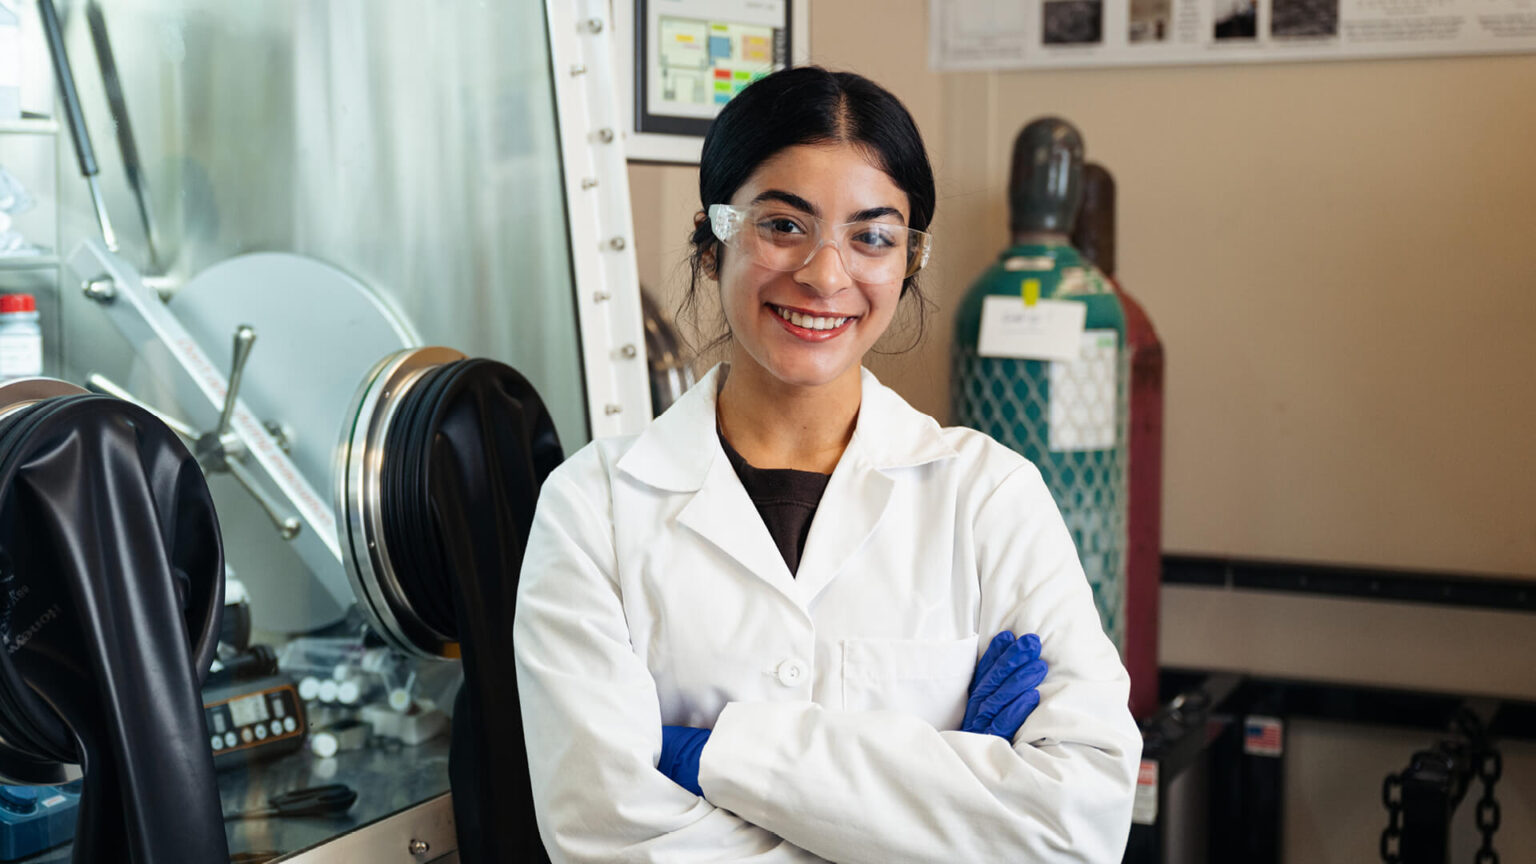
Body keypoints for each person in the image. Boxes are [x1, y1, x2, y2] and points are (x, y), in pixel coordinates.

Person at [514, 67, 1140, 863]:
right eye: (783, 225)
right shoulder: (591, 509)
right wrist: (950, 805)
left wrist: (713, 758)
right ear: (712, 242)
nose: (825, 273)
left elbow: (1079, 824)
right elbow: (602, 836)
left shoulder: (990, 498)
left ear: (907, 262)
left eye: (872, 235)